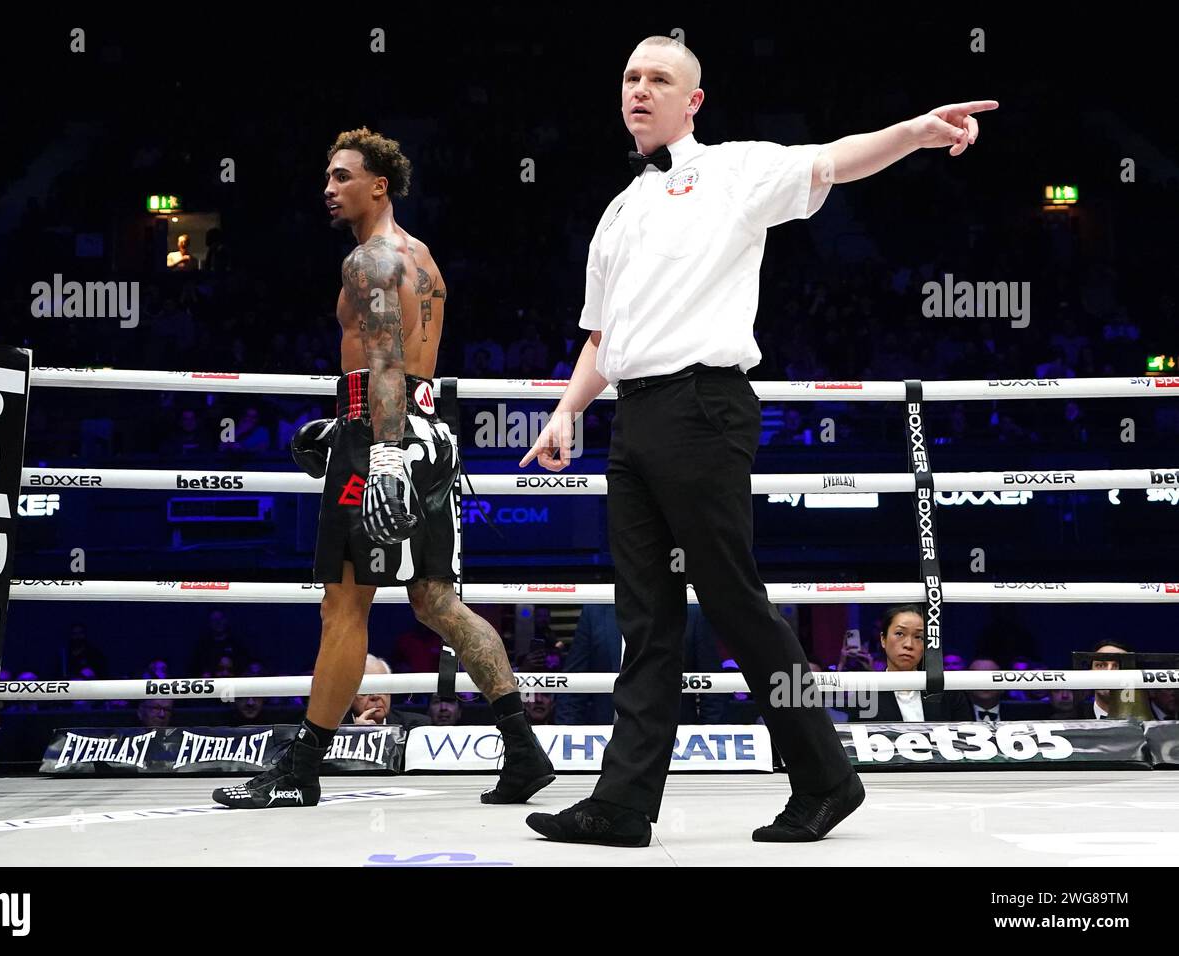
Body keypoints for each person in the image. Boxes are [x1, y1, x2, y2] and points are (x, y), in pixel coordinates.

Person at [521, 35, 995, 846]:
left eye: (659, 79)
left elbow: (832, 162)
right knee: (646, 618)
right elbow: (603, 335)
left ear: (692, 101)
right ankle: (624, 802)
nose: (640, 89)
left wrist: (914, 132)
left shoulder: (734, 170)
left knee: (735, 603)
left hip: (704, 407)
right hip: (632, 418)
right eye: (631, 77)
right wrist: (568, 409)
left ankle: (824, 777)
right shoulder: (619, 209)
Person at [214, 128, 554, 810]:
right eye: (327, 177)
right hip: (427, 433)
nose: (328, 189)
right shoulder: (422, 259)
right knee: (436, 601)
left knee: (344, 605)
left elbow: (387, 362)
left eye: (341, 177)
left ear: (379, 185)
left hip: (386, 436)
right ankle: (523, 750)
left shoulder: (370, 261)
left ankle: (301, 768)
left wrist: (381, 453)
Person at [860, 605, 970, 722]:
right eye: (899, 634)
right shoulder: (865, 698)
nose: (909, 644)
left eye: (919, 637)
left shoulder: (950, 693)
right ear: (883, 639)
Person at [348, 655, 431, 730]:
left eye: (382, 687)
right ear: (350, 696)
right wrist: (356, 734)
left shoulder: (417, 726)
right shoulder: (337, 731)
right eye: (365, 689)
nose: (375, 696)